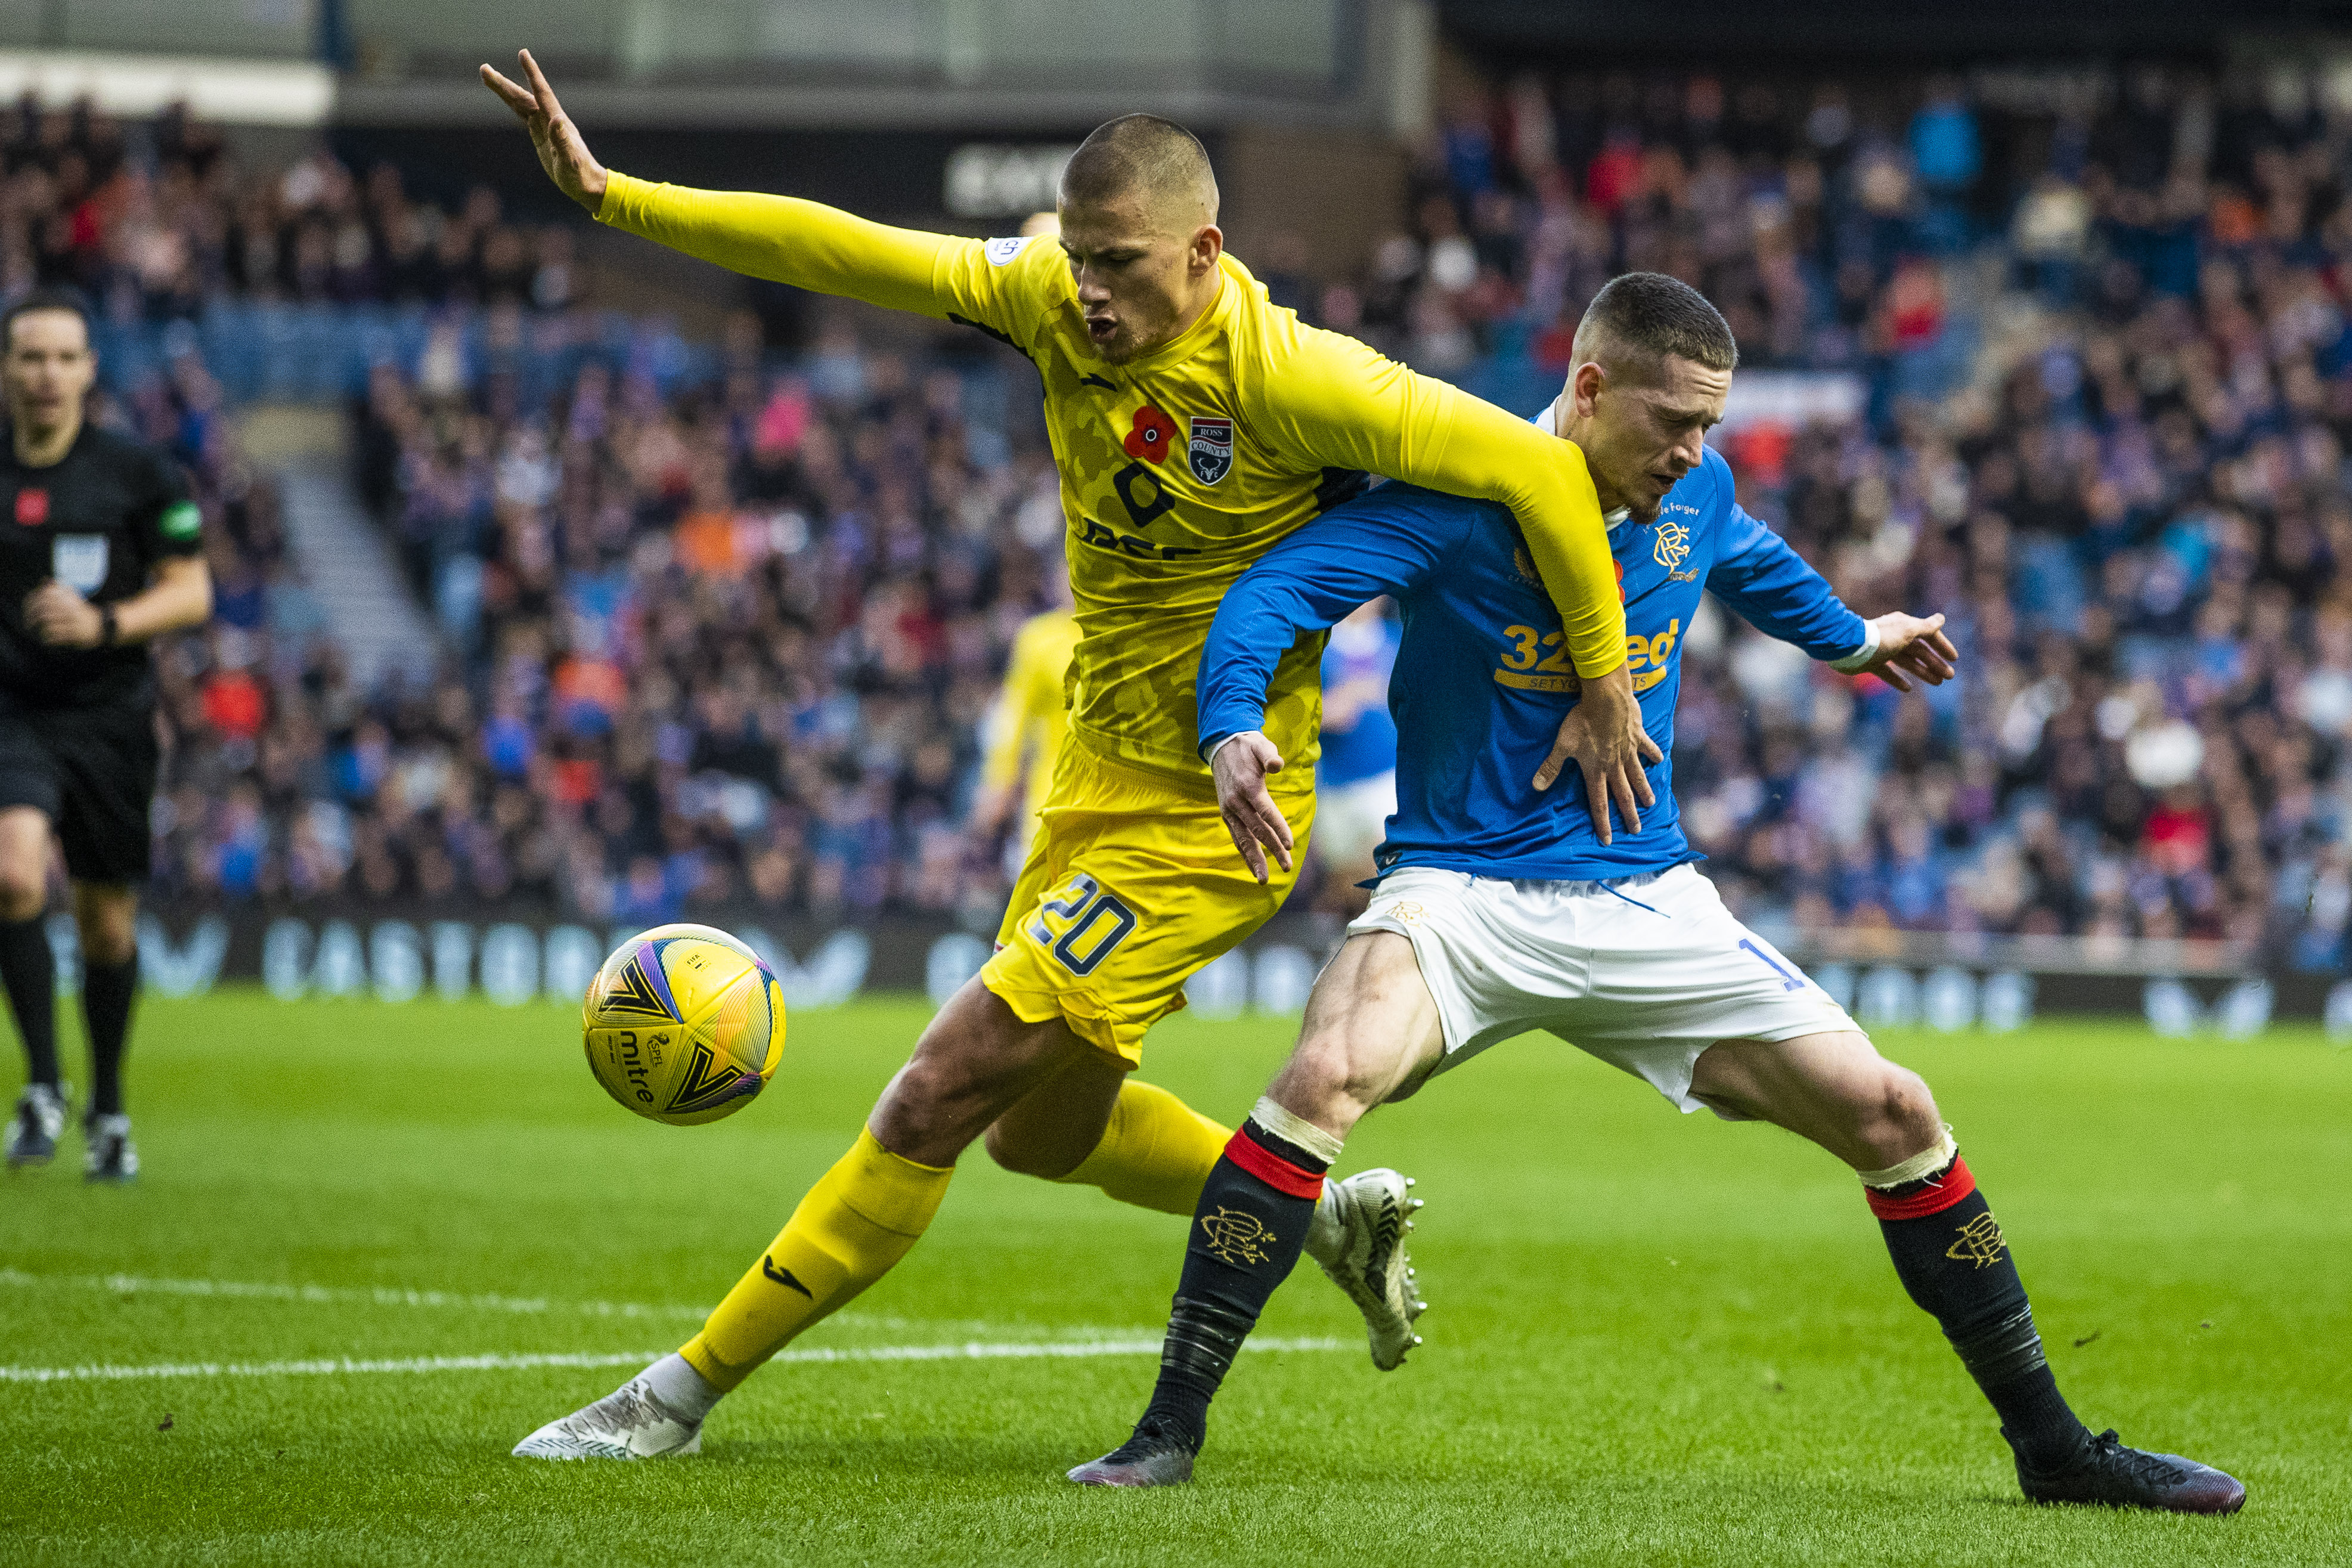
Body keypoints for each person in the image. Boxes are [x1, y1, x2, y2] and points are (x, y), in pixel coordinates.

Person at [483, 51, 1647, 1458]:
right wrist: (616, 198)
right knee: (1037, 1134)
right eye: (1078, 256)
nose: (1089, 288)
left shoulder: (1294, 377)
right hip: (1091, 781)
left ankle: (670, 1395)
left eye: (1120, 263)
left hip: (1218, 810)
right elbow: (846, 251)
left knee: (937, 1084)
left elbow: (1531, 468)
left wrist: (1601, 682)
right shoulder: (1045, 299)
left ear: (1204, 251)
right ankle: (1317, 1206)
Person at [1069, 273, 2246, 1517]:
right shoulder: (1458, 491)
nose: (1692, 453)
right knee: (1319, 1082)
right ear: (1586, 388)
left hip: (1645, 895)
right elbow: (1278, 588)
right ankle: (1165, 1431)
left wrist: (1850, 637)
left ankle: (2055, 1452)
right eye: (1671, 421)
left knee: (1896, 1112)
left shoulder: (1696, 490)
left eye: (1709, 427)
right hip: (1459, 893)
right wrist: (1232, 723)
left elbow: (1744, 555)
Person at [0, 289, 213, 1182]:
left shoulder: (139, 473)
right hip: (14, 712)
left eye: (62, 358)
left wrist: (105, 623)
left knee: (106, 927)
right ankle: (43, 1083)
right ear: (9, 370)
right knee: (12, 875)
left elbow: (192, 591)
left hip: (110, 718)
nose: (46, 374)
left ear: (90, 369)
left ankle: (110, 1102)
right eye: (30, 357)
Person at [966, 560, 1080, 874]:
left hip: (1115, 790)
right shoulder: (1038, 640)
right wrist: (997, 783)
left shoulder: (1121, 631)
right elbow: (1013, 719)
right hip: (1052, 790)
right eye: (1064, 573)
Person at [1309, 598, 1398, 915]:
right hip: (1335, 787)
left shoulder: (1398, 639)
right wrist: (1329, 710)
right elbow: (1290, 715)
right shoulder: (1318, 645)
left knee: (1384, 869)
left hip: (1388, 781)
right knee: (1345, 887)